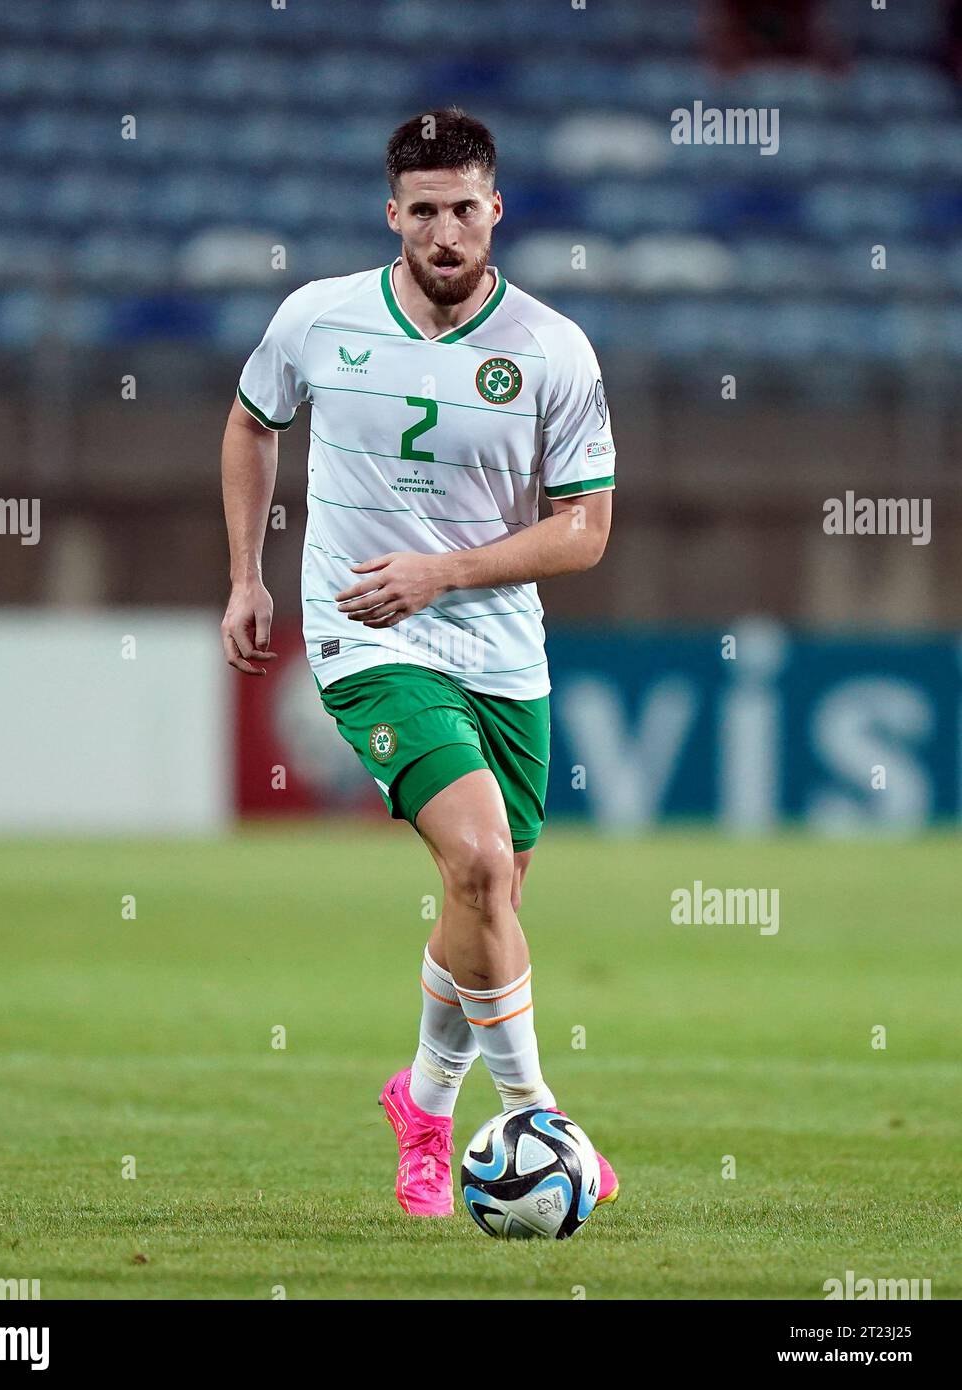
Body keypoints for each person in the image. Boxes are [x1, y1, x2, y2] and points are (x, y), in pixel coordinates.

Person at [221, 107, 619, 1217]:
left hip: (501, 647)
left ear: (496, 211)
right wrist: (249, 575)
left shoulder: (551, 349)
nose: (445, 230)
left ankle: (422, 1101)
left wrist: (445, 573)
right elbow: (252, 423)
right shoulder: (316, 318)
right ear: (390, 214)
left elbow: (584, 530)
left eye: (464, 208)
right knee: (483, 866)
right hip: (364, 633)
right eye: (423, 210)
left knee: (482, 901)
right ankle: (540, 1116)